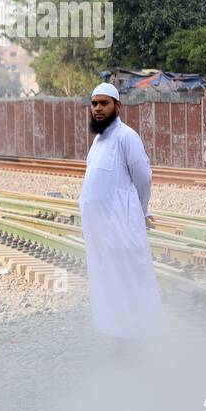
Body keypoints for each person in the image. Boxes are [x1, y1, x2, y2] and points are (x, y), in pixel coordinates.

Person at [78, 82, 162, 340]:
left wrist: (142, 211)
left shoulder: (127, 136)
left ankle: (138, 340)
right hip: (102, 232)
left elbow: (143, 176)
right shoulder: (99, 140)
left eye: (104, 103)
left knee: (128, 282)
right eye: (94, 104)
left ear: (117, 106)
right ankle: (118, 336)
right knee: (109, 283)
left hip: (121, 227)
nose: (98, 109)